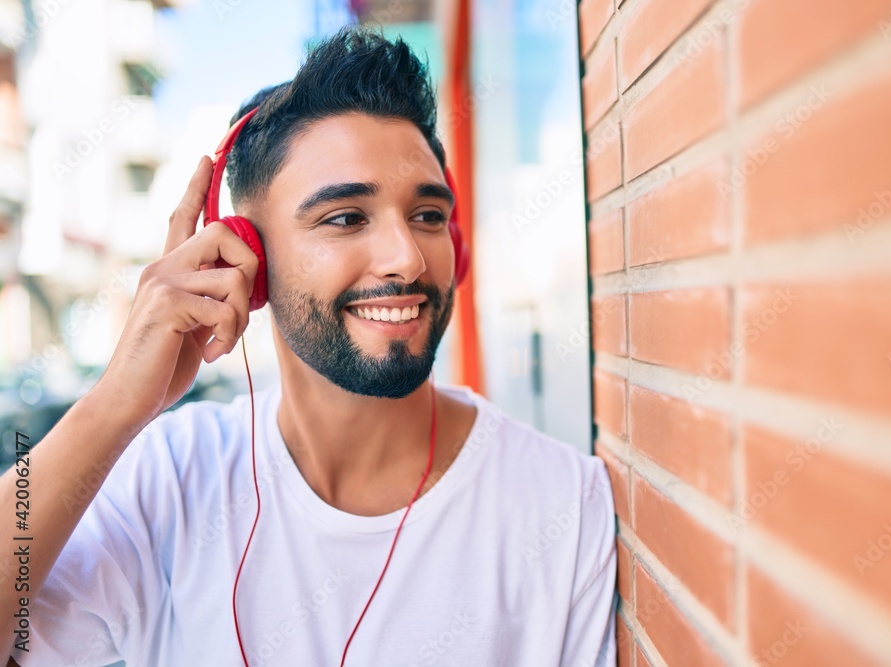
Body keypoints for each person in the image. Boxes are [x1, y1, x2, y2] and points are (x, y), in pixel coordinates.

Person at [0, 27, 617, 666]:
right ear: (248, 262)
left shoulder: (564, 504)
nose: (407, 258)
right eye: (346, 218)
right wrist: (112, 406)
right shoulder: (169, 481)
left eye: (427, 216)